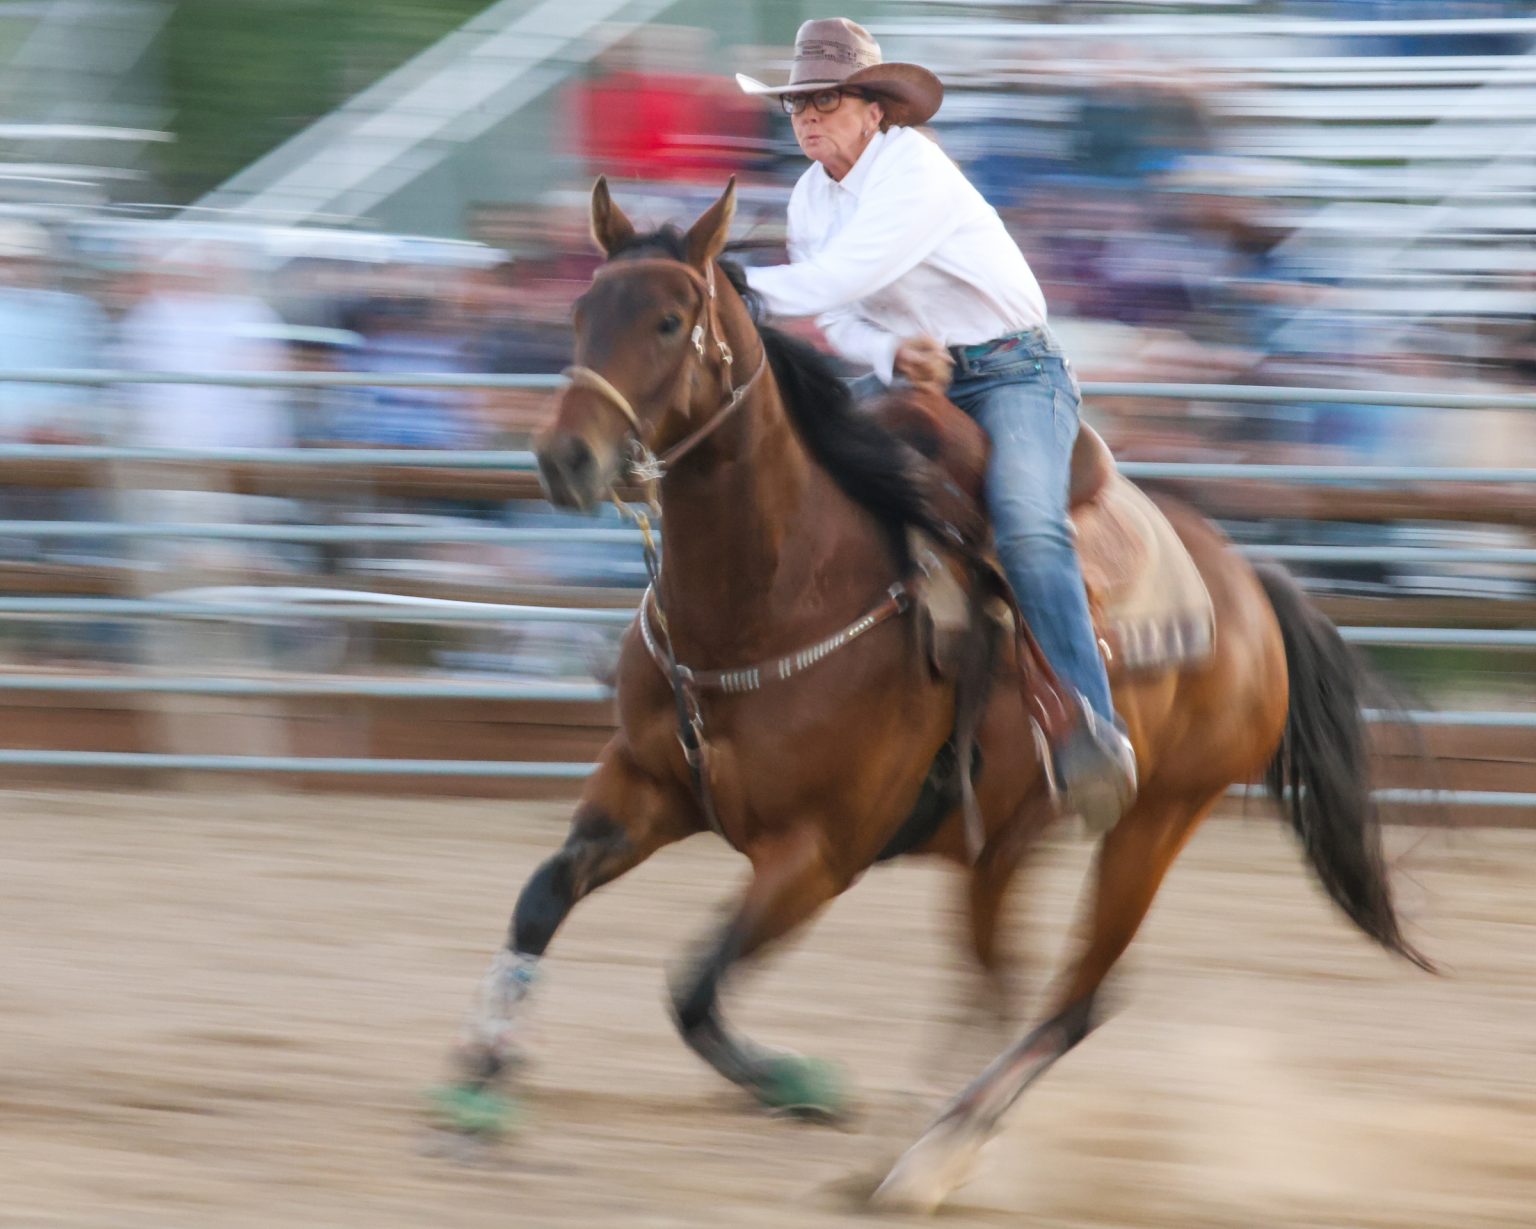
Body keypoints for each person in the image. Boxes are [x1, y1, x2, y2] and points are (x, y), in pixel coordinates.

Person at [738, 18, 1136, 831]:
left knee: (1026, 524)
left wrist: (721, 283)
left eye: (825, 99)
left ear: (872, 110)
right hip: (926, 380)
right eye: (795, 104)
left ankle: (1094, 725)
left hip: (1017, 373)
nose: (807, 116)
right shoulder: (812, 198)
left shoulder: (913, 171)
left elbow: (845, 275)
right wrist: (889, 349)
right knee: (791, 489)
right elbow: (842, 313)